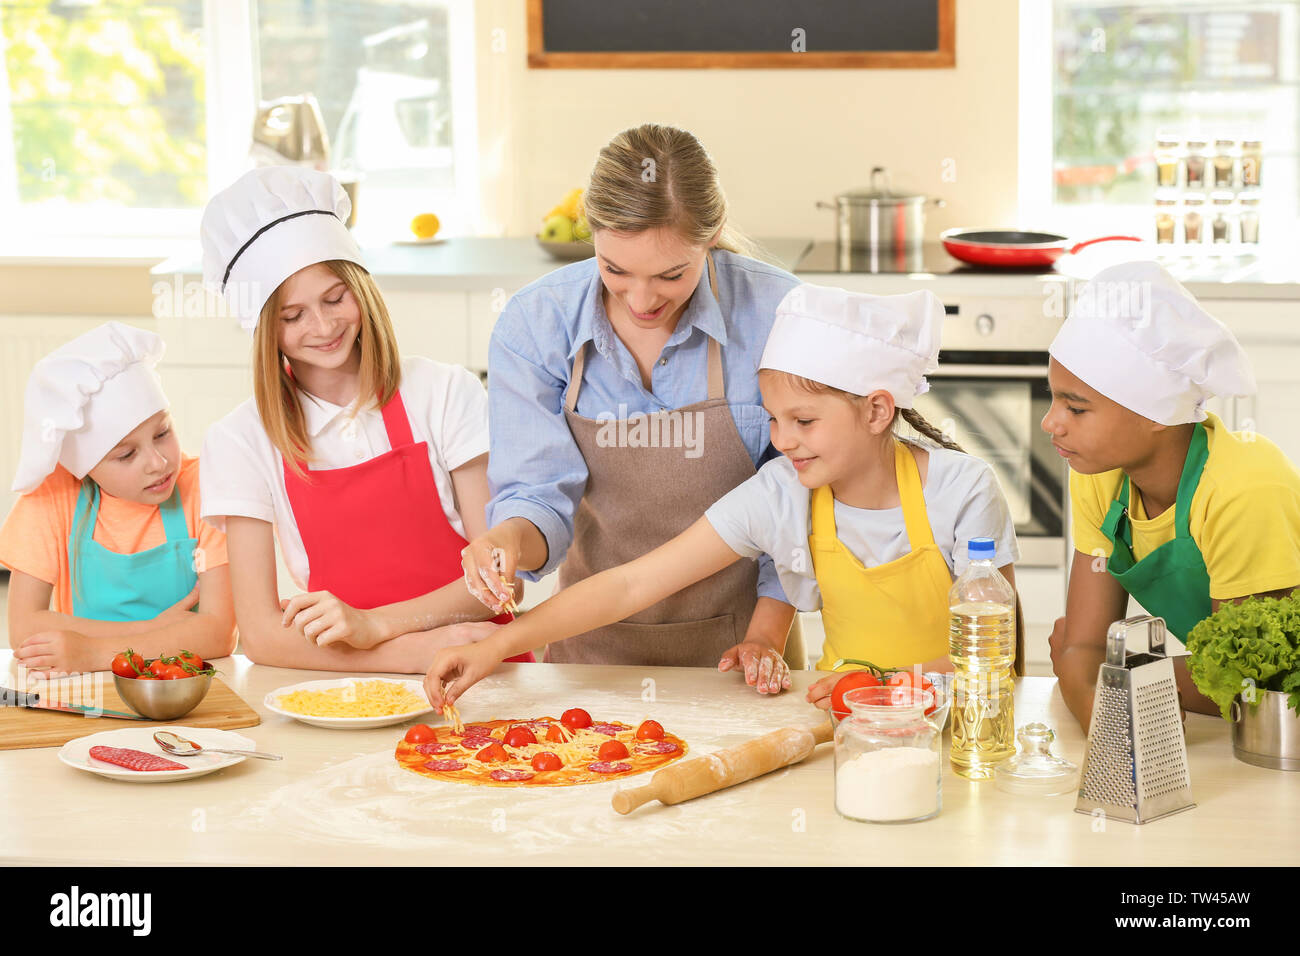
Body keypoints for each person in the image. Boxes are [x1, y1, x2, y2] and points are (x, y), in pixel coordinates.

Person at [426, 284, 1022, 708]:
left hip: (964, 733)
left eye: (804, 421)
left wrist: (893, 691)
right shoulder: (783, 492)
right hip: (847, 725)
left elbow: (1001, 659)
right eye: (773, 419)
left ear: (876, 410)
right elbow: (631, 583)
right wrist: (498, 645)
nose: (781, 441)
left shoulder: (961, 492)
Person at [461, 123, 805, 684]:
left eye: (671, 274)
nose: (642, 300)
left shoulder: (779, 313)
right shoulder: (536, 324)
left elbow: (798, 503)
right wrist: (505, 541)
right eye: (614, 270)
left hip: (745, 655)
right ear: (590, 233)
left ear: (712, 235)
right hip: (590, 656)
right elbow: (537, 495)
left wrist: (765, 636)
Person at [198, 166, 523, 672]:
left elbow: (500, 582)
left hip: (487, 671)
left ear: (361, 288)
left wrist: (375, 627)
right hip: (356, 693)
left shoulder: (443, 392)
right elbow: (261, 638)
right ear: (264, 328)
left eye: (334, 298)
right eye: (292, 316)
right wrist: (409, 653)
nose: (324, 326)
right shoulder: (240, 441)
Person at [1044, 260, 1300, 730]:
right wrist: (1113, 722)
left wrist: (1102, 676)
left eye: (1076, 408)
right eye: (1054, 398)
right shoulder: (1100, 475)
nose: (1050, 423)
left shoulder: (1243, 489)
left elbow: (1248, 680)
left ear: (1156, 411)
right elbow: (1083, 646)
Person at [0, 322, 236, 676]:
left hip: (178, 687)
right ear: (85, 467)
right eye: (126, 455)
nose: (157, 463)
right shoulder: (54, 496)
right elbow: (25, 630)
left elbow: (219, 634)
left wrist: (95, 652)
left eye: (162, 432)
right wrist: (158, 629)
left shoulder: (205, 486)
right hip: (82, 690)